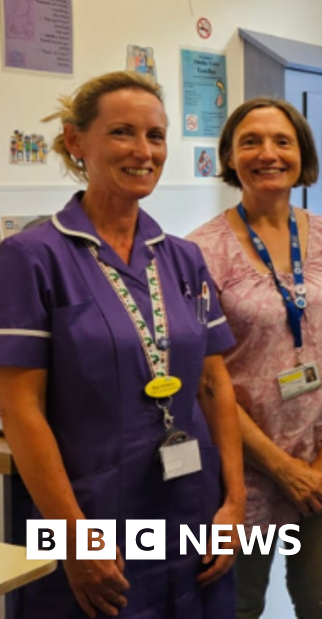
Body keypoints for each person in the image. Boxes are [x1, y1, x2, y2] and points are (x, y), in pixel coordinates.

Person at [0, 71, 244, 618]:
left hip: (193, 510)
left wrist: (234, 502)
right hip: (92, 517)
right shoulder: (32, 257)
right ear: (74, 141)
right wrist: (74, 538)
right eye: (122, 133)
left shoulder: (182, 258)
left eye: (155, 136)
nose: (143, 151)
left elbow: (213, 382)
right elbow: (20, 408)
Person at [188, 97, 322, 619]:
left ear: (301, 154)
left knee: (321, 598)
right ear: (229, 156)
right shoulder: (199, 254)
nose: (267, 153)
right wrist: (279, 467)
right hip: (245, 465)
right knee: (239, 601)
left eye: (282, 141)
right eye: (250, 142)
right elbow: (208, 379)